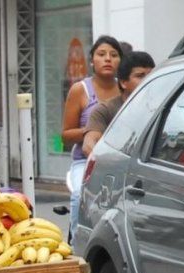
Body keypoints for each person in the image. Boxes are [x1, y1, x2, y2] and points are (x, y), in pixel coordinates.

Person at [61, 35, 123, 239]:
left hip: (119, 162)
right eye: (102, 54)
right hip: (85, 160)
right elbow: (66, 135)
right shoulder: (80, 90)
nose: (108, 59)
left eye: (114, 55)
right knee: (81, 194)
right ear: (91, 61)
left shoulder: (126, 90)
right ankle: (76, 244)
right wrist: (93, 131)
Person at [81, 51, 156, 156]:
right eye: (140, 76)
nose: (148, 80)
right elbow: (88, 146)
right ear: (123, 82)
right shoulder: (105, 110)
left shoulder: (162, 107)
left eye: (152, 75)